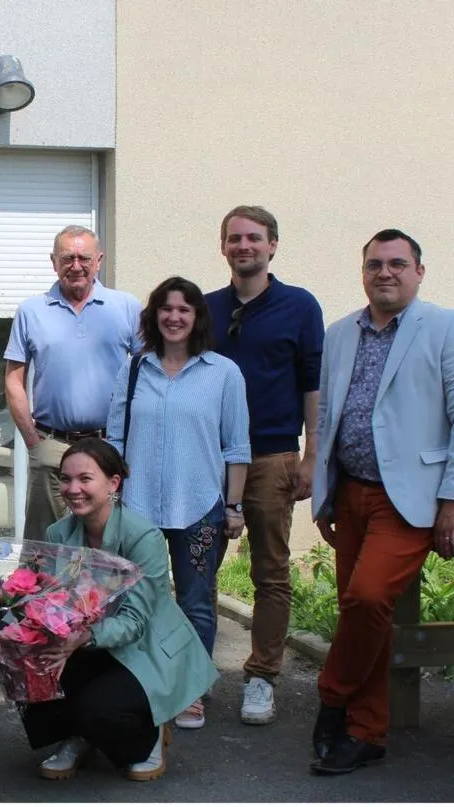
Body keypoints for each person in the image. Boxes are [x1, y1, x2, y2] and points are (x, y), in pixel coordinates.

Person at [310, 229, 454, 775]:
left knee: (368, 599)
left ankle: (331, 697)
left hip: (409, 499)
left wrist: (450, 500)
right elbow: (328, 417)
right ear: (363, 272)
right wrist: (324, 495)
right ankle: (365, 732)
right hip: (350, 491)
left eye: (397, 263)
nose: (385, 273)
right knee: (360, 612)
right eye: (375, 264)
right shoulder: (340, 332)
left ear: (419, 271)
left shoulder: (443, 328)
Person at [21, 438, 218, 782]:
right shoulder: (58, 532)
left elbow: (135, 621)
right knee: (28, 661)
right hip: (87, 641)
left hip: (144, 650)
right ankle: (75, 735)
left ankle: (148, 735)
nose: (73, 489)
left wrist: (83, 637)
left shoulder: (144, 537)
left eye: (85, 478)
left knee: (98, 711)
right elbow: (53, 602)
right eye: (66, 479)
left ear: (113, 483)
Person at [107, 276, 250, 730]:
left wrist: (234, 507)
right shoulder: (134, 369)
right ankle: (142, 686)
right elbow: (115, 438)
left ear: (197, 317)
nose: (174, 317)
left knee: (196, 603)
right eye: (166, 309)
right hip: (138, 509)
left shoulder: (223, 373)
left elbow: (237, 447)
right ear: (154, 316)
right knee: (135, 601)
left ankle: (190, 692)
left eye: (184, 309)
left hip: (199, 508)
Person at [205, 205, 324, 725]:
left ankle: (261, 677)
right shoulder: (206, 308)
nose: (244, 246)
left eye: (254, 237)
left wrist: (312, 455)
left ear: (273, 245)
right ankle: (195, 673)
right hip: (210, 458)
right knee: (198, 570)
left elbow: (313, 384)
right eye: (235, 238)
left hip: (273, 455)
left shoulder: (299, 306)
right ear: (223, 247)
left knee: (270, 571)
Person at [5, 225, 142, 540]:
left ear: (99, 261)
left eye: (84, 258)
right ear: (54, 262)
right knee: (44, 542)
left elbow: (146, 374)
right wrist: (33, 441)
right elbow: (13, 380)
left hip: (108, 445)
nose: (76, 266)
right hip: (51, 444)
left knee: (108, 540)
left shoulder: (126, 307)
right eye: (67, 258)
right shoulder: (31, 311)